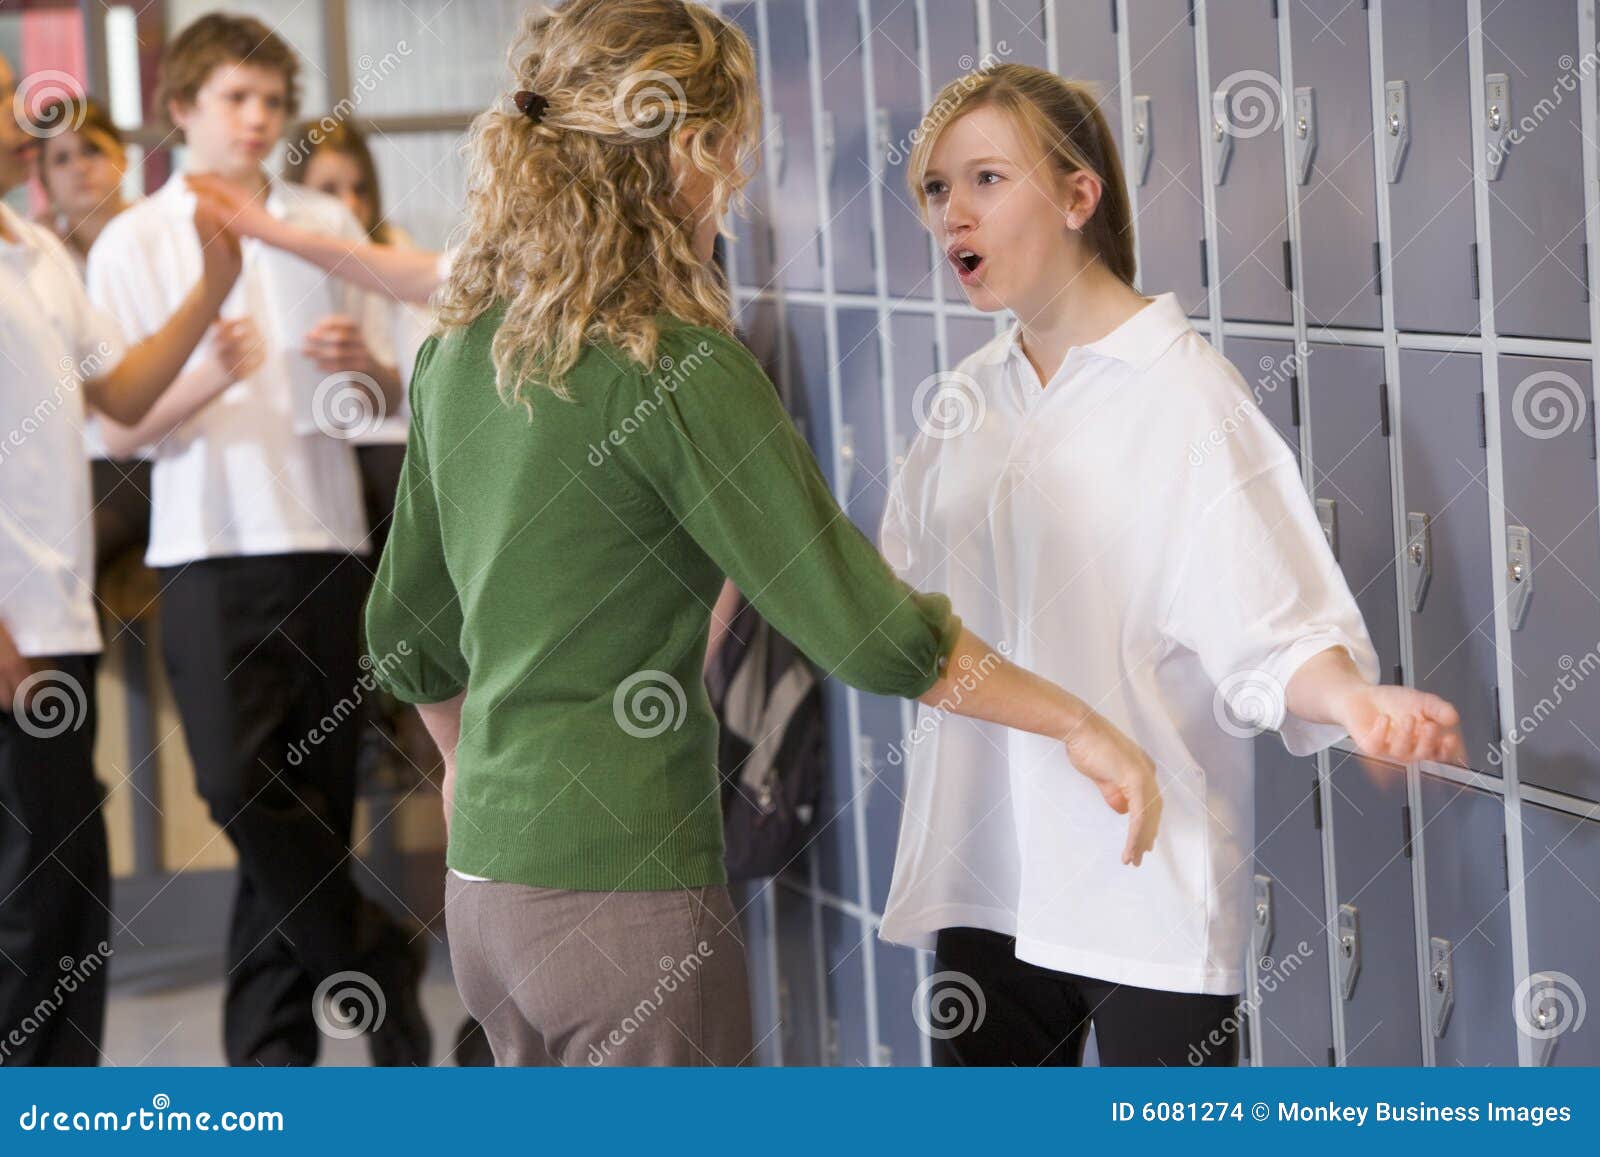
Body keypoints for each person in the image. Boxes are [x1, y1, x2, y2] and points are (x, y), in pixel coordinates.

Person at [361, 0, 1161, 1068]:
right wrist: (1072, 720)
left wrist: (466, 770)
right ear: (686, 150)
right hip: (625, 899)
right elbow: (870, 633)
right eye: (729, 152)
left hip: (486, 902)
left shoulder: (462, 351)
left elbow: (406, 628)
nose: (734, 185)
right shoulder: (676, 363)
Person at [879, 64, 1466, 1067]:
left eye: (984, 179)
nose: (951, 216)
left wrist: (1355, 702)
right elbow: (890, 606)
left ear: (1076, 196)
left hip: (1142, 884)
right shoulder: (965, 399)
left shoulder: (1184, 394)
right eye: (936, 188)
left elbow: (1269, 618)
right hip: (986, 874)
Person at [85, 13, 425, 1067]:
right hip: (201, 552)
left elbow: (394, 399)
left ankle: (272, 1061)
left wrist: (360, 374)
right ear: (182, 110)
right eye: (236, 98)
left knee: (311, 816)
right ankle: (378, 956)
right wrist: (206, 372)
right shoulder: (132, 240)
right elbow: (111, 424)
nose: (258, 119)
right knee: (239, 794)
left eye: (273, 101)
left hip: (326, 546)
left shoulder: (322, 220)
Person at [0, 51, 243, 1065]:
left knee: (66, 901)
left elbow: (125, 396)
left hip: (59, 619)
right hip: (11, 635)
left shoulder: (34, 248)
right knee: (18, 914)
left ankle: (63, 1107)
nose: (23, 109)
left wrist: (209, 290)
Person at [30, 96, 152, 595]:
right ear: (42, 180)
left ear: (123, 157)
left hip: (147, 454)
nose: (79, 168)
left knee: (63, 562)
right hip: (64, 456)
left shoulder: (159, 236)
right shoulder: (32, 259)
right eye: (61, 159)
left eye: (92, 151)